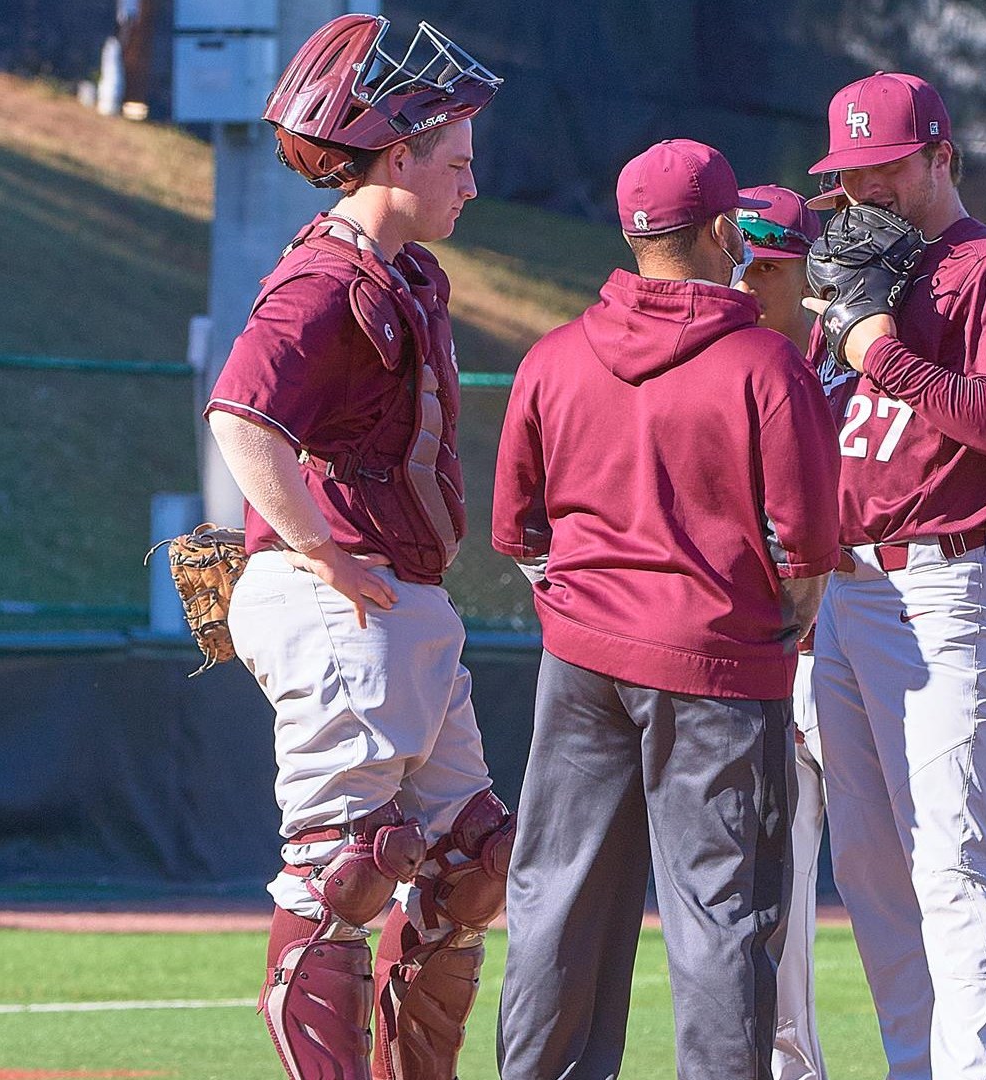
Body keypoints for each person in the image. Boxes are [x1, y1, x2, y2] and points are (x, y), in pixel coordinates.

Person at [491, 140, 842, 1080]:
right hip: (719, 666)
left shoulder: (555, 355)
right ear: (725, 229)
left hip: (581, 660)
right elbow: (807, 551)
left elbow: (518, 534)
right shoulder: (766, 363)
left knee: (555, 901)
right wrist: (780, 629)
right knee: (721, 913)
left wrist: (588, 612)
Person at [204, 14, 510, 1080]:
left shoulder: (405, 271)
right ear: (394, 156)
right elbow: (241, 415)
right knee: (348, 871)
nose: (472, 181)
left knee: (478, 863)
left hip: (401, 603)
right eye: (455, 160)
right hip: (345, 601)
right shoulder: (324, 280)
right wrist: (316, 552)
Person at [801, 71, 986, 1080]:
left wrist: (887, 357)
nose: (862, 191)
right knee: (885, 875)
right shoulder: (854, 275)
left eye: (883, 168)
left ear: (940, 158)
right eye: (847, 174)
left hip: (952, 586)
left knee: (958, 864)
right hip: (847, 591)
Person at [733, 182, 833, 1080]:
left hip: (868, 631)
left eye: (771, 263)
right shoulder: (719, 362)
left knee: (933, 879)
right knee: (774, 891)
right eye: (742, 256)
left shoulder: (839, 358)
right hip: (763, 655)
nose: (752, 277)